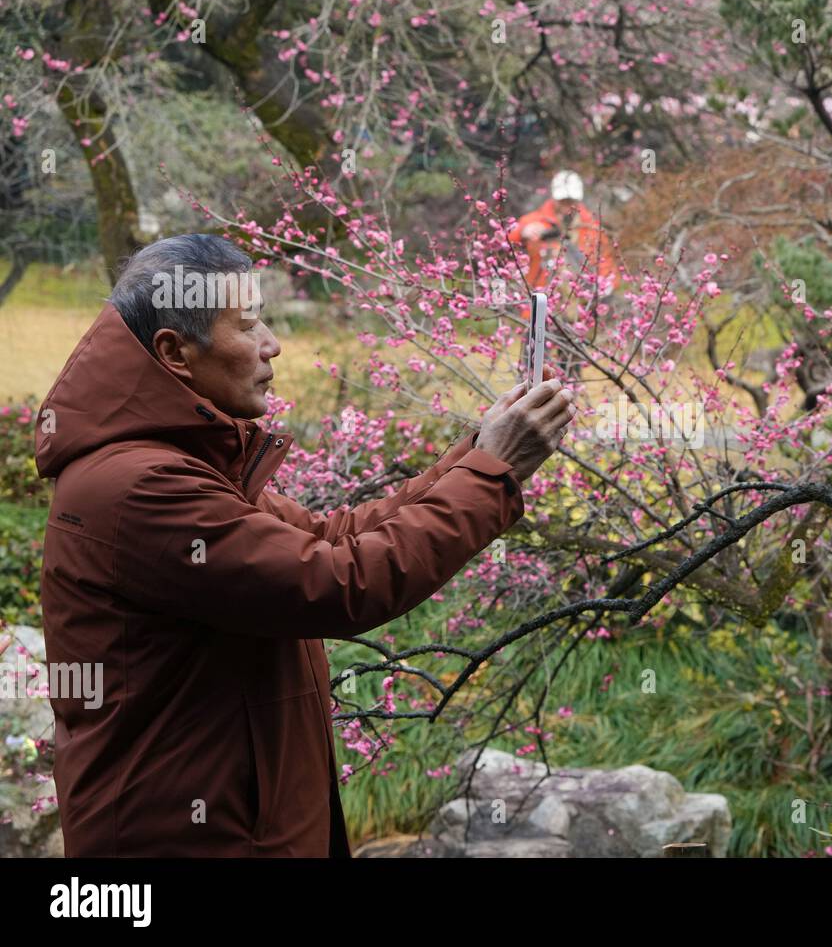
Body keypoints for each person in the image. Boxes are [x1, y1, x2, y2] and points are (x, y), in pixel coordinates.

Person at [33, 233, 575, 857]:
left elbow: (331, 537)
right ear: (174, 351)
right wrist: (489, 475)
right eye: (247, 325)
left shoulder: (177, 459)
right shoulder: (143, 487)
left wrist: (480, 453)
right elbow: (339, 582)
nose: (272, 344)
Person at [507, 170, 619, 291]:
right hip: (539, 296)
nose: (566, 206)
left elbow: (606, 262)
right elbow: (505, 243)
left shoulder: (592, 228)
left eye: (570, 201)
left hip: (577, 301)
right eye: (562, 201)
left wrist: (606, 286)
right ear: (553, 198)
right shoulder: (533, 221)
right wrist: (522, 232)